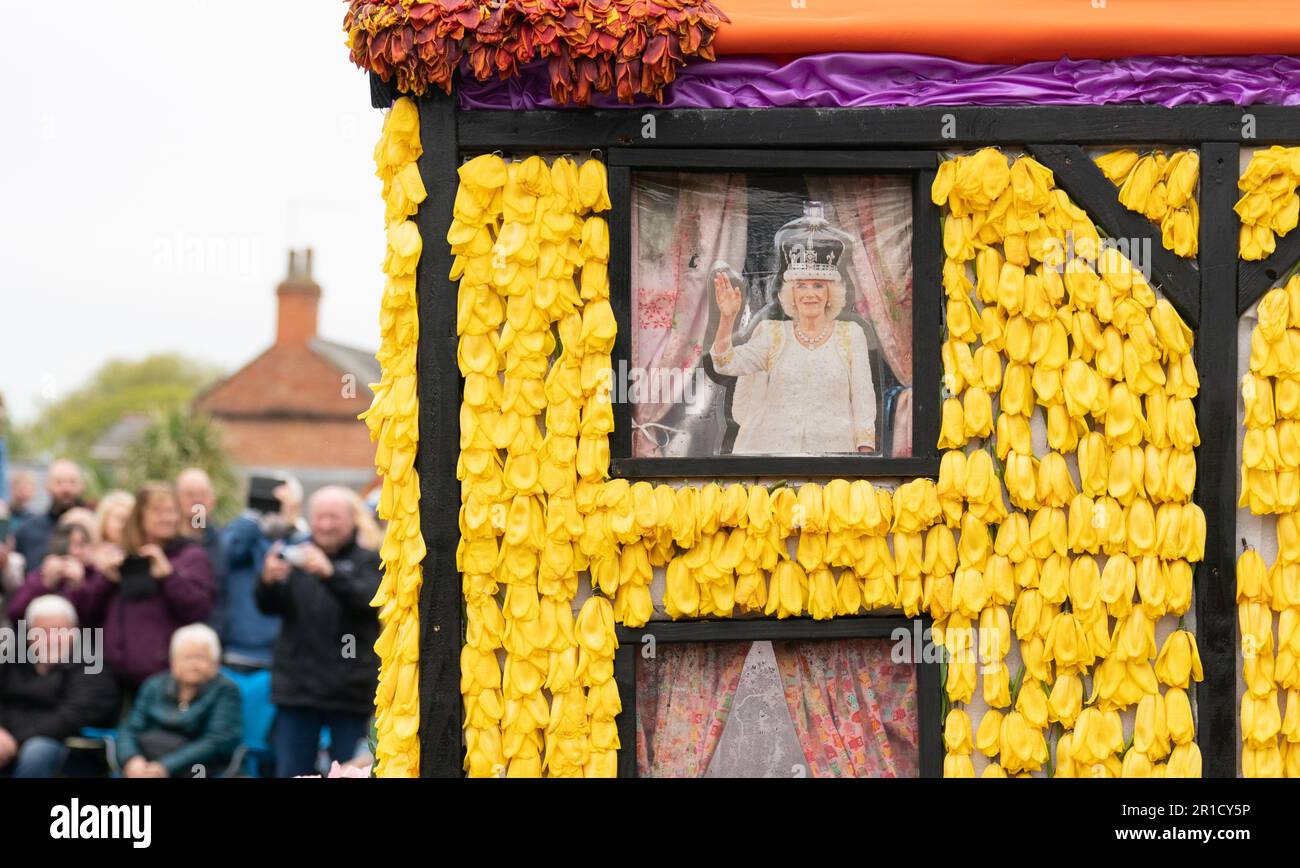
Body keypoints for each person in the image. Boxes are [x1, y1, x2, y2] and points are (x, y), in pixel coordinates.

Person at [707, 202, 877, 455]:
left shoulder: (851, 335)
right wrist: (727, 318)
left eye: (818, 286)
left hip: (835, 461)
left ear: (830, 293)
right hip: (774, 460)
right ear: (791, 293)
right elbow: (725, 363)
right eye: (802, 286)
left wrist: (865, 452)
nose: (810, 294)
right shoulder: (772, 334)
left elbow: (864, 399)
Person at [257, 486, 381, 777]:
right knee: (292, 772)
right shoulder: (293, 554)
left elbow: (370, 601)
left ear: (352, 519)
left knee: (352, 773)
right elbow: (266, 607)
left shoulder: (371, 559)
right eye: (319, 517)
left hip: (351, 693)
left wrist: (331, 575)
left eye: (334, 518)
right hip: (297, 691)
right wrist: (267, 581)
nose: (325, 525)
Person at [76, 482, 216, 689]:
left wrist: (168, 576)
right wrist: (107, 578)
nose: (167, 518)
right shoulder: (120, 555)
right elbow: (85, 613)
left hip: (162, 677)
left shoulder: (190, 556)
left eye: (171, 511)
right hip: (111, 674)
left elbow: (199, 610)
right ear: (140, 516)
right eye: (158, 511)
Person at [0, 596, 119, 777]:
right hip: (7, 736)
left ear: (75, 632)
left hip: (64, 744)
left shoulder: (93, 665)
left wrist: (15, 739)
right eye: (42, 632)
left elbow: (73, 716)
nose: (51, 640)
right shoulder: (12, 659)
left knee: (36, 752)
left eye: (60, 631)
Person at [117, 624, 242, 778]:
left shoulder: (226, 690)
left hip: (197, 767)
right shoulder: (153, 685)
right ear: (173, 662)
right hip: (146, 762)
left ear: (215, 663)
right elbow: (130, 728)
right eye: (187, 657)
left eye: (201, 657)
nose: (194, 665)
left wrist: (165, 767)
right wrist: (132, 759)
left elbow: (217, 741)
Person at [7, 524, 95, 624]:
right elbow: (15, 613)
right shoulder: (41, 575)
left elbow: (94, 619)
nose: (74, 552)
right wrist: (45, 583)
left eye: (81, 545)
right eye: (68, 544)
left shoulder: (95, 577)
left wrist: (79, 587)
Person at [14, 460, 87, 567]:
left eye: (72, 482)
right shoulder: (28, 530)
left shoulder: (95, 529)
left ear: (81, 486)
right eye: (59, 482)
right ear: (47, 485)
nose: (66, 489)